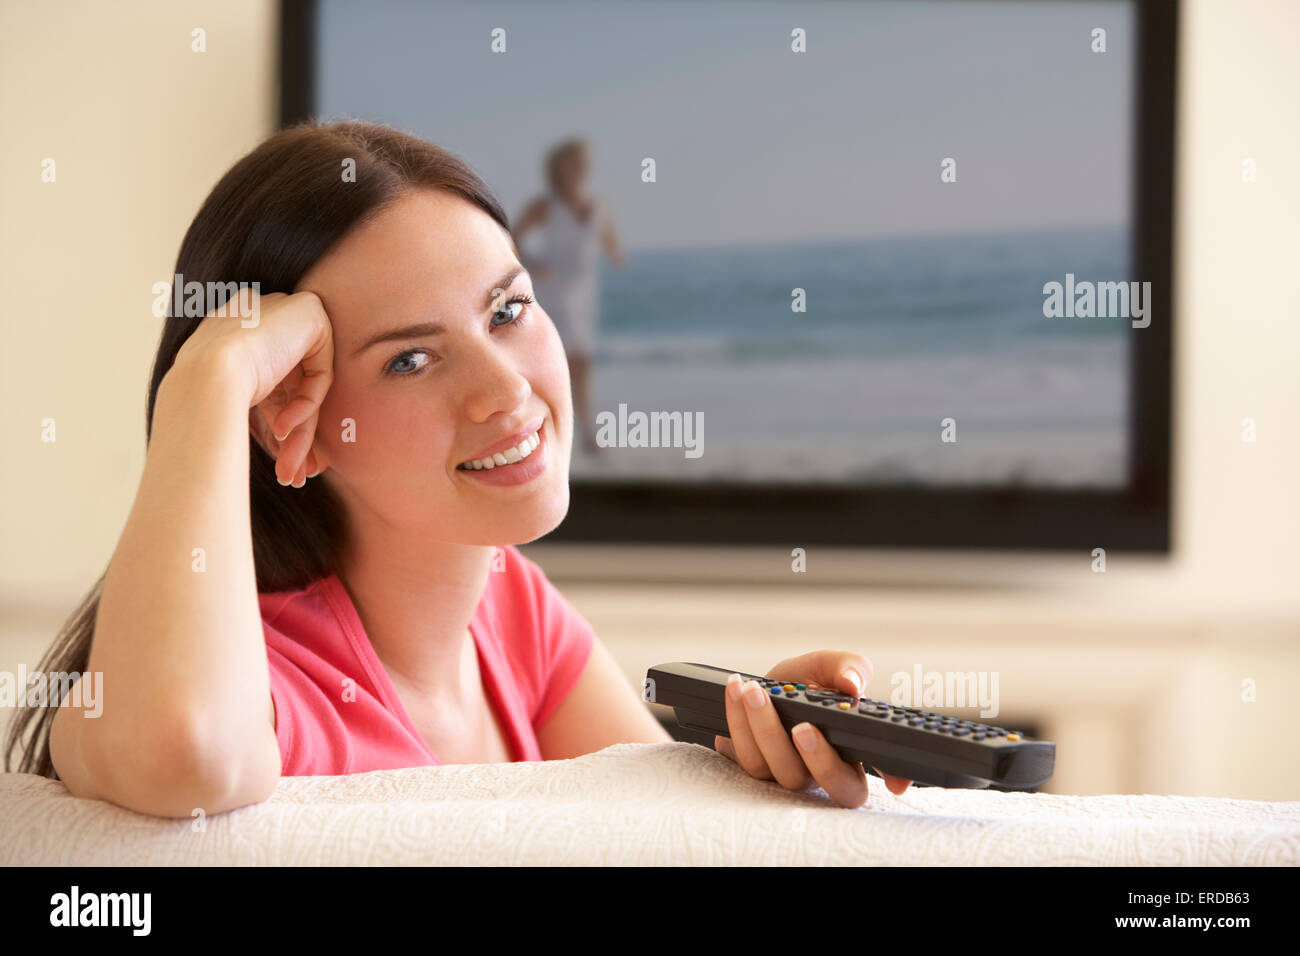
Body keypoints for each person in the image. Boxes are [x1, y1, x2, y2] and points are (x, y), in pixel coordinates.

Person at [4, 121, 910, 815]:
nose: (504, 389)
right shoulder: (259, 687)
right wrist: (208, 380)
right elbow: (184, 752)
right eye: (410, 359)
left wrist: (752, 767)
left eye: (508, 310)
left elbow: (650, 827)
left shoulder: (512, 612)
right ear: (293, 421)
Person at [513, 137, 623, 454]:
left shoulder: (598, 207)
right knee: (557, 364)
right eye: (573, 161)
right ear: (559, 166)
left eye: (582, 161)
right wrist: (533, 263)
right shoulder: (545, 205)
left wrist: (616, 255)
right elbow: (512, 236)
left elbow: (610, 244)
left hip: (585, 295)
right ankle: (564, 433)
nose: (579, 167)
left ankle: (580, 431)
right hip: (553, 293)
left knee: (584, 365)